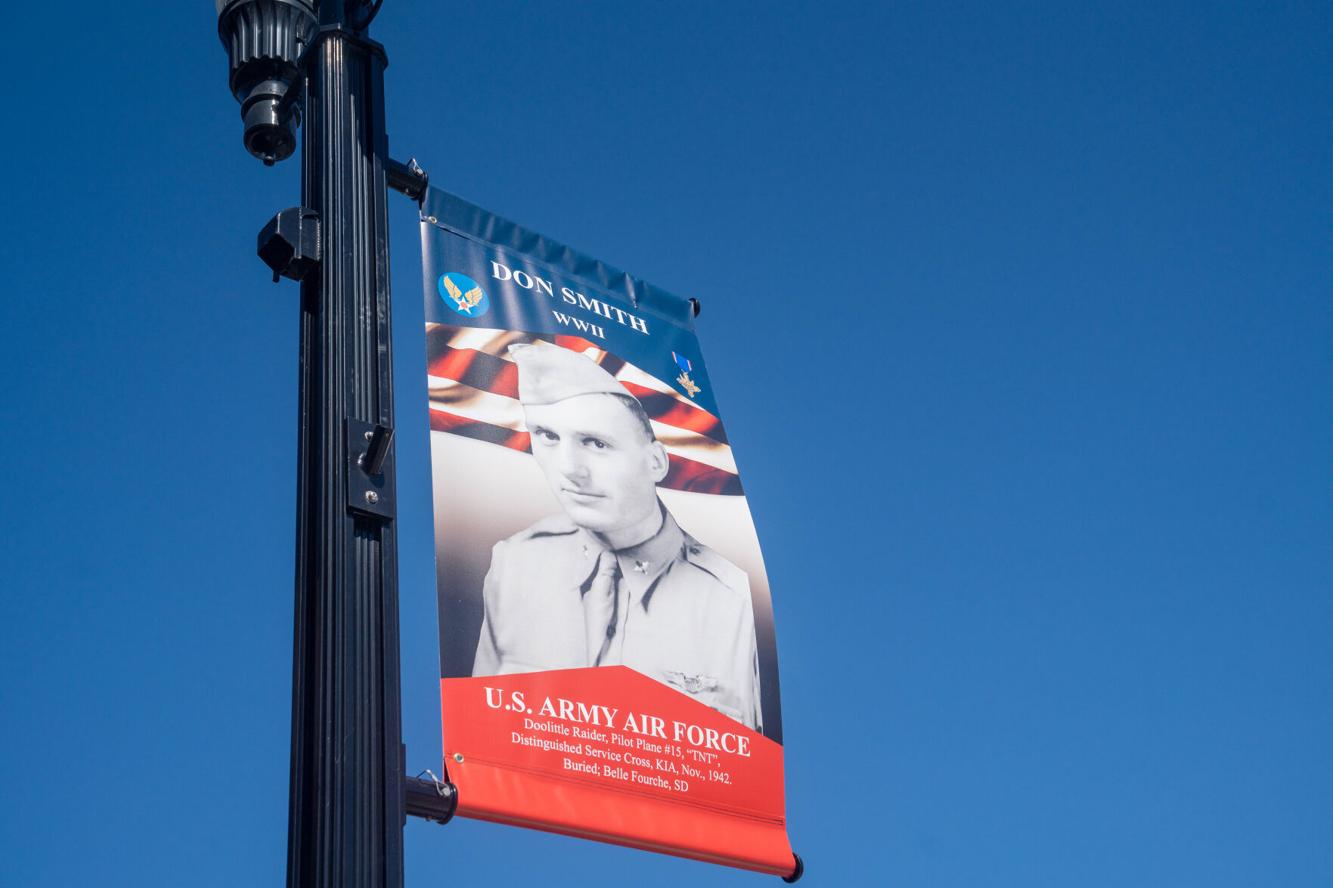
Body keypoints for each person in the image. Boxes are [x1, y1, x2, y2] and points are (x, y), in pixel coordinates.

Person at [472, 340, 762, 731]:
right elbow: (484, 729)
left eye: (596, 443)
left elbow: (743, 765)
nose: (569, 469)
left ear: (656, 462)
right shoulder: (517, 562)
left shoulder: (727, 596)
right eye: (547, 436)